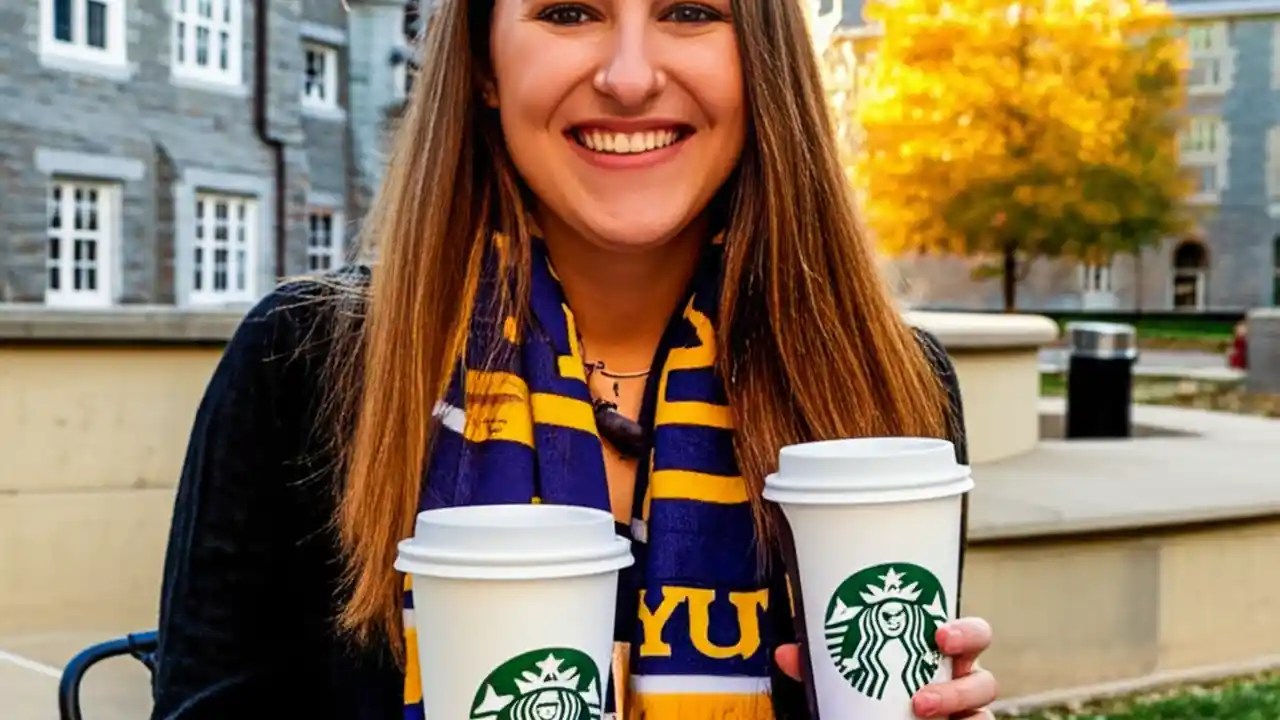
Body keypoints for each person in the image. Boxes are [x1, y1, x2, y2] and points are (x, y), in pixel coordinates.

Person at [150, 0, 999, 718]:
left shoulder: (884, 383)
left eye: (690, 12)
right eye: (567, 12)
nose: (629, 77)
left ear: (764, 65)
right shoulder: (309, 361)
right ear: (483, 64)